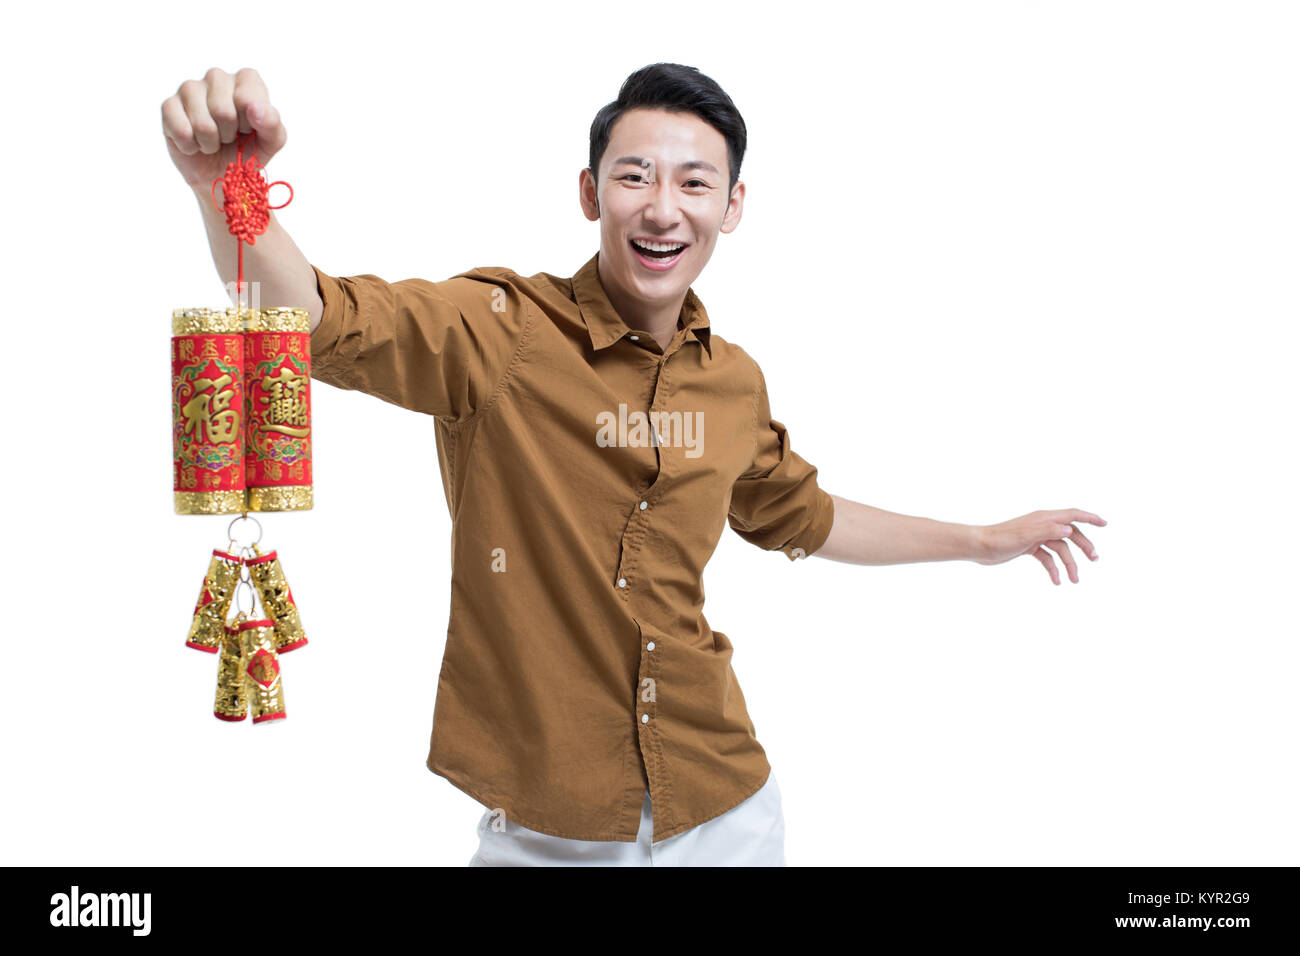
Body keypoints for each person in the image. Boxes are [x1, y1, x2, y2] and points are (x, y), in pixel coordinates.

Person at [162, 63, 1106, 866]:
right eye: (635, 177)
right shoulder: (499, 333)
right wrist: (227, 193)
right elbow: (321, 320)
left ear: (732, 207)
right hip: (550, 828)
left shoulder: (731, 382)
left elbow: (807, 518)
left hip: (724, 805)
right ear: (589, 192)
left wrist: (985, 539)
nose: (663, 210)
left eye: (696, 184)